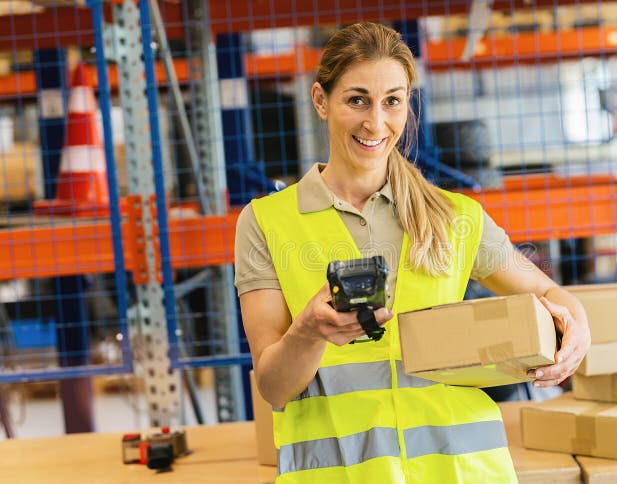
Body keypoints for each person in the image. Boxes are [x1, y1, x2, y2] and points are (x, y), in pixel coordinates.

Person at [235, 22, 591, 484]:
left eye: (392, 101)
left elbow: (551, 294)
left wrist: (576, 331)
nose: (375, 123)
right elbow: (273, 388)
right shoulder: (266, 222)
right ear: (321, 100)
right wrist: (308, 332)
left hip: (462, 472)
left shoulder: (456, 217)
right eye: (357, 100)